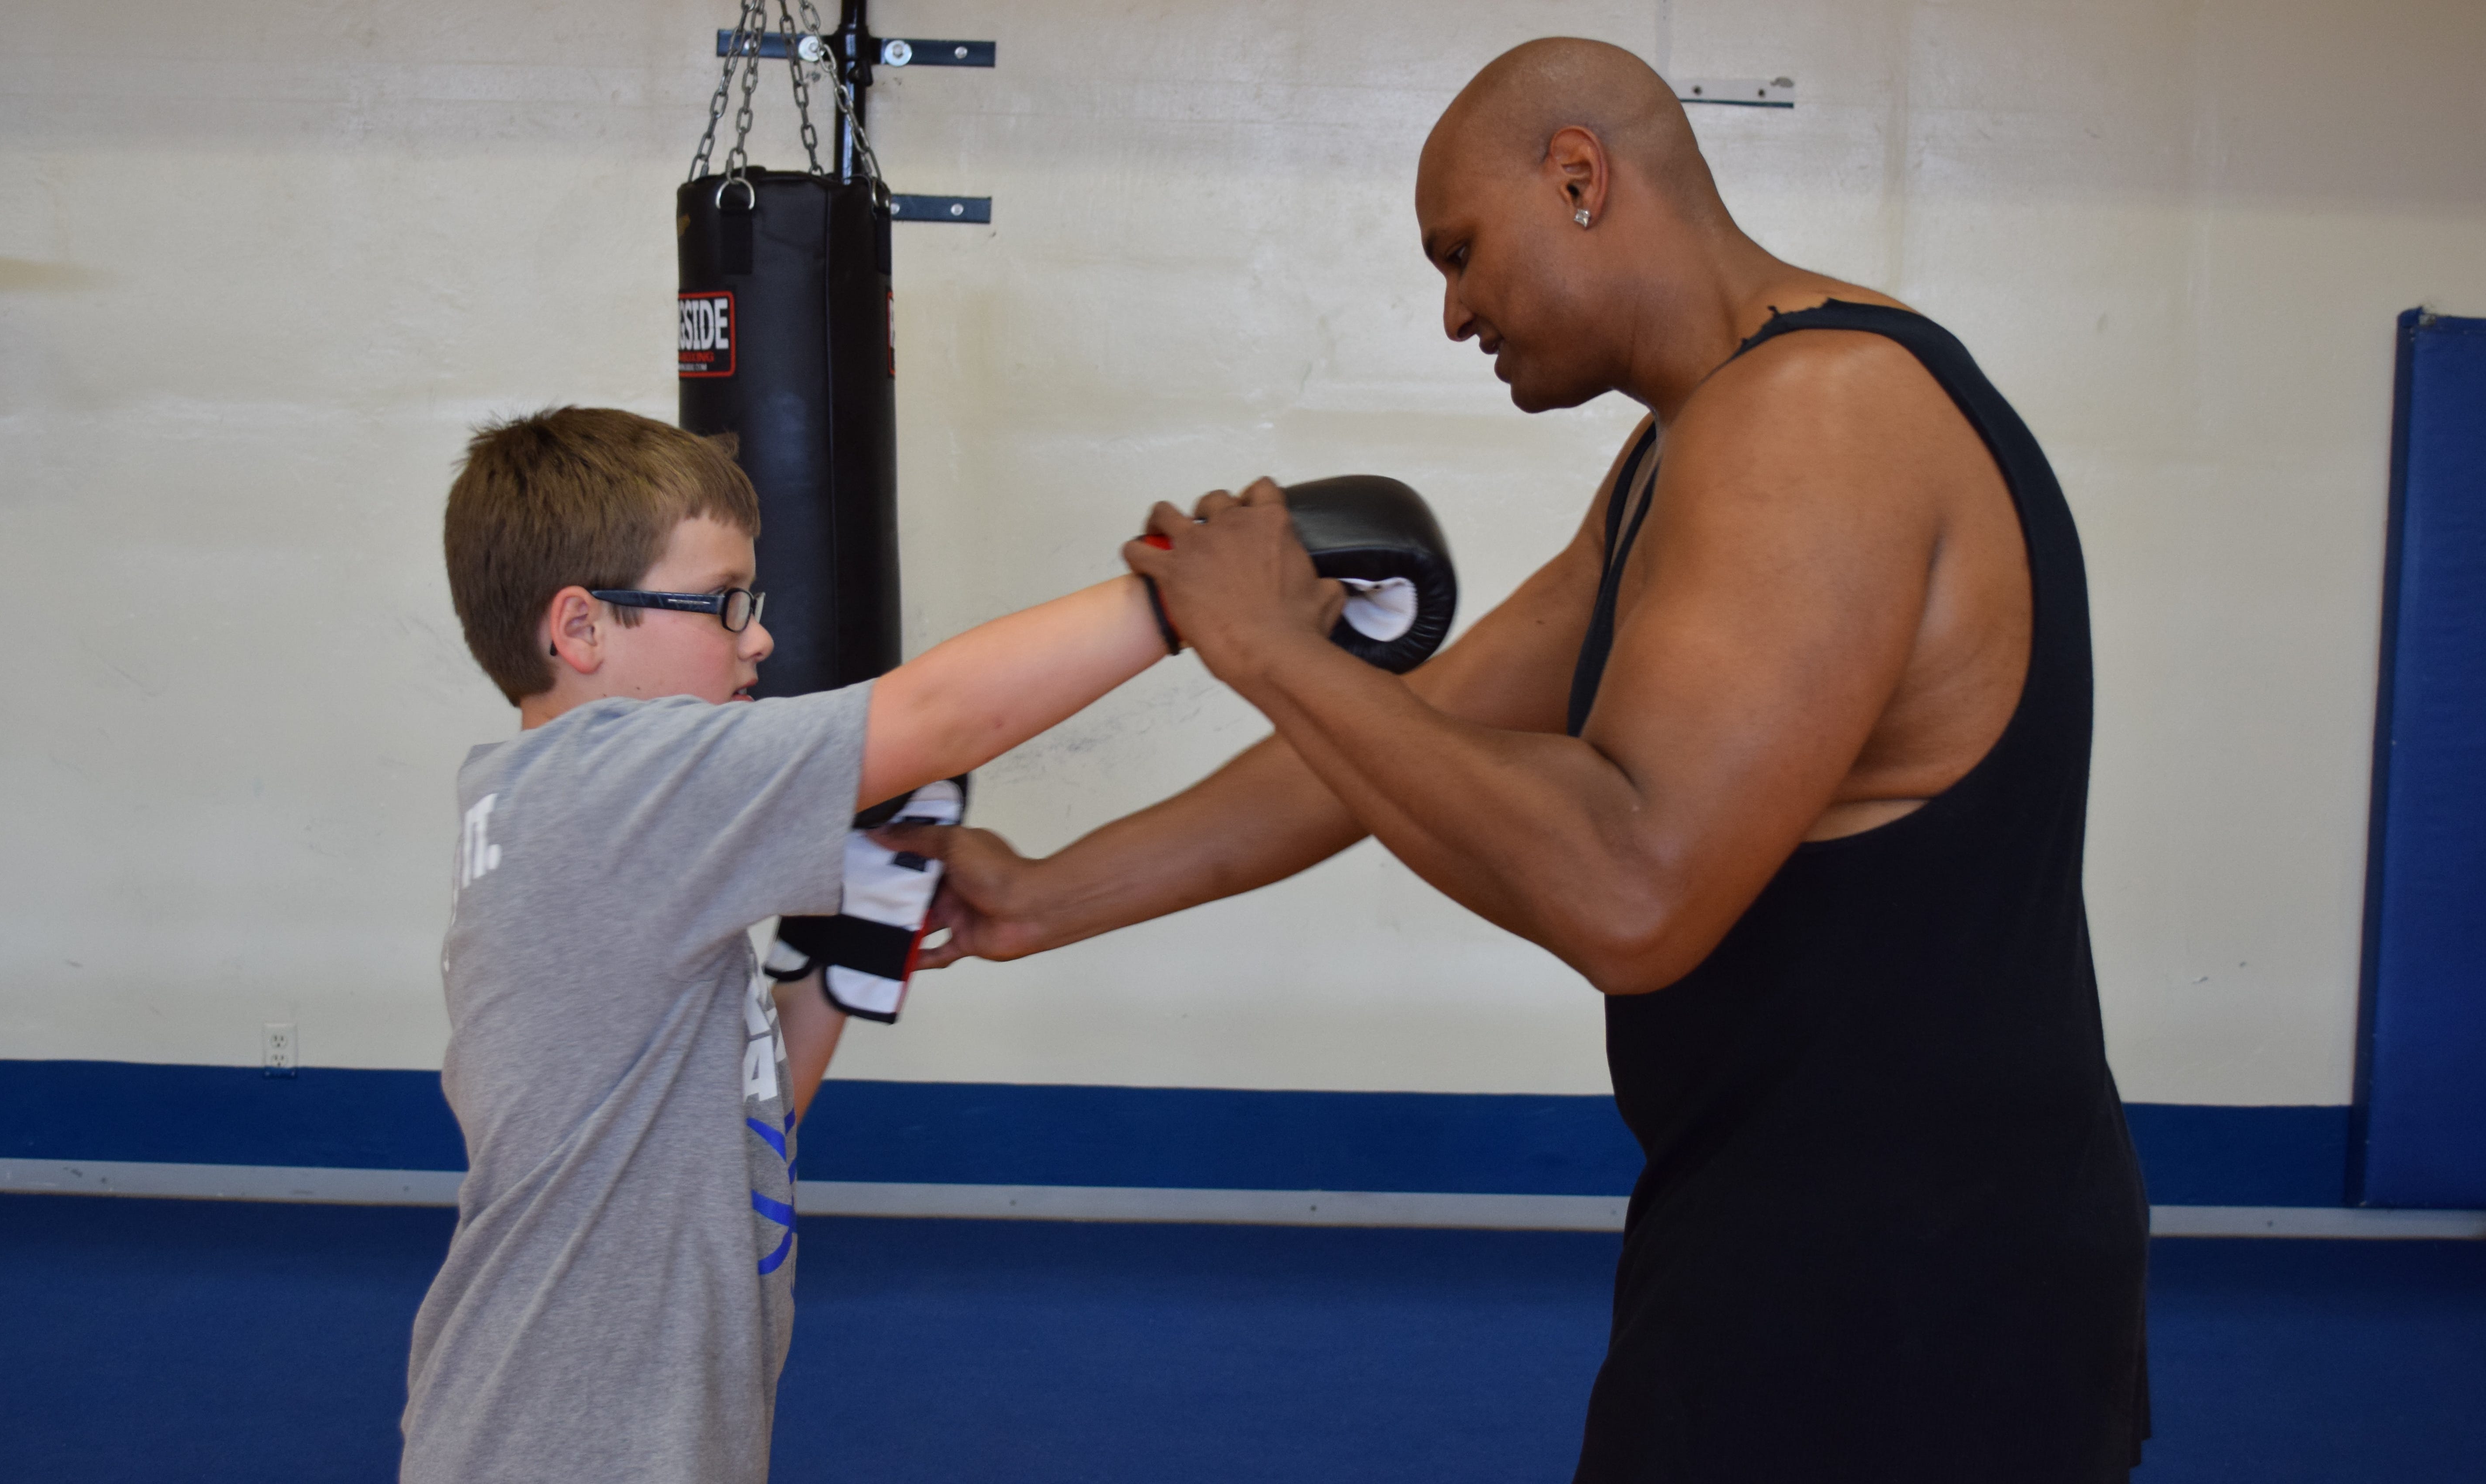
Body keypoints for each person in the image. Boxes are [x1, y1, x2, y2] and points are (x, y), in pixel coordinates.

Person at [894, 38, 2150, 1483]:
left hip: (1914, 1279)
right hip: (1783, 1219)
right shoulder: (1687, 450)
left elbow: (1632, 890)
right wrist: (1044, 896)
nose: (1452, 313)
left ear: (1580, 176)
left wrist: (1271, 649)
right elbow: (1417, 738)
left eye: (1463, 251)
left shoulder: (1822, 414)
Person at [399, 406, 1196, 1484]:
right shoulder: (611, 780)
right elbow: (943, 712)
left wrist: (838, 962)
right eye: (724, 603)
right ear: (580, 629)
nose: (757, 636)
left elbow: (727, 1124)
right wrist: (1183, 593)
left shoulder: (556, 810)